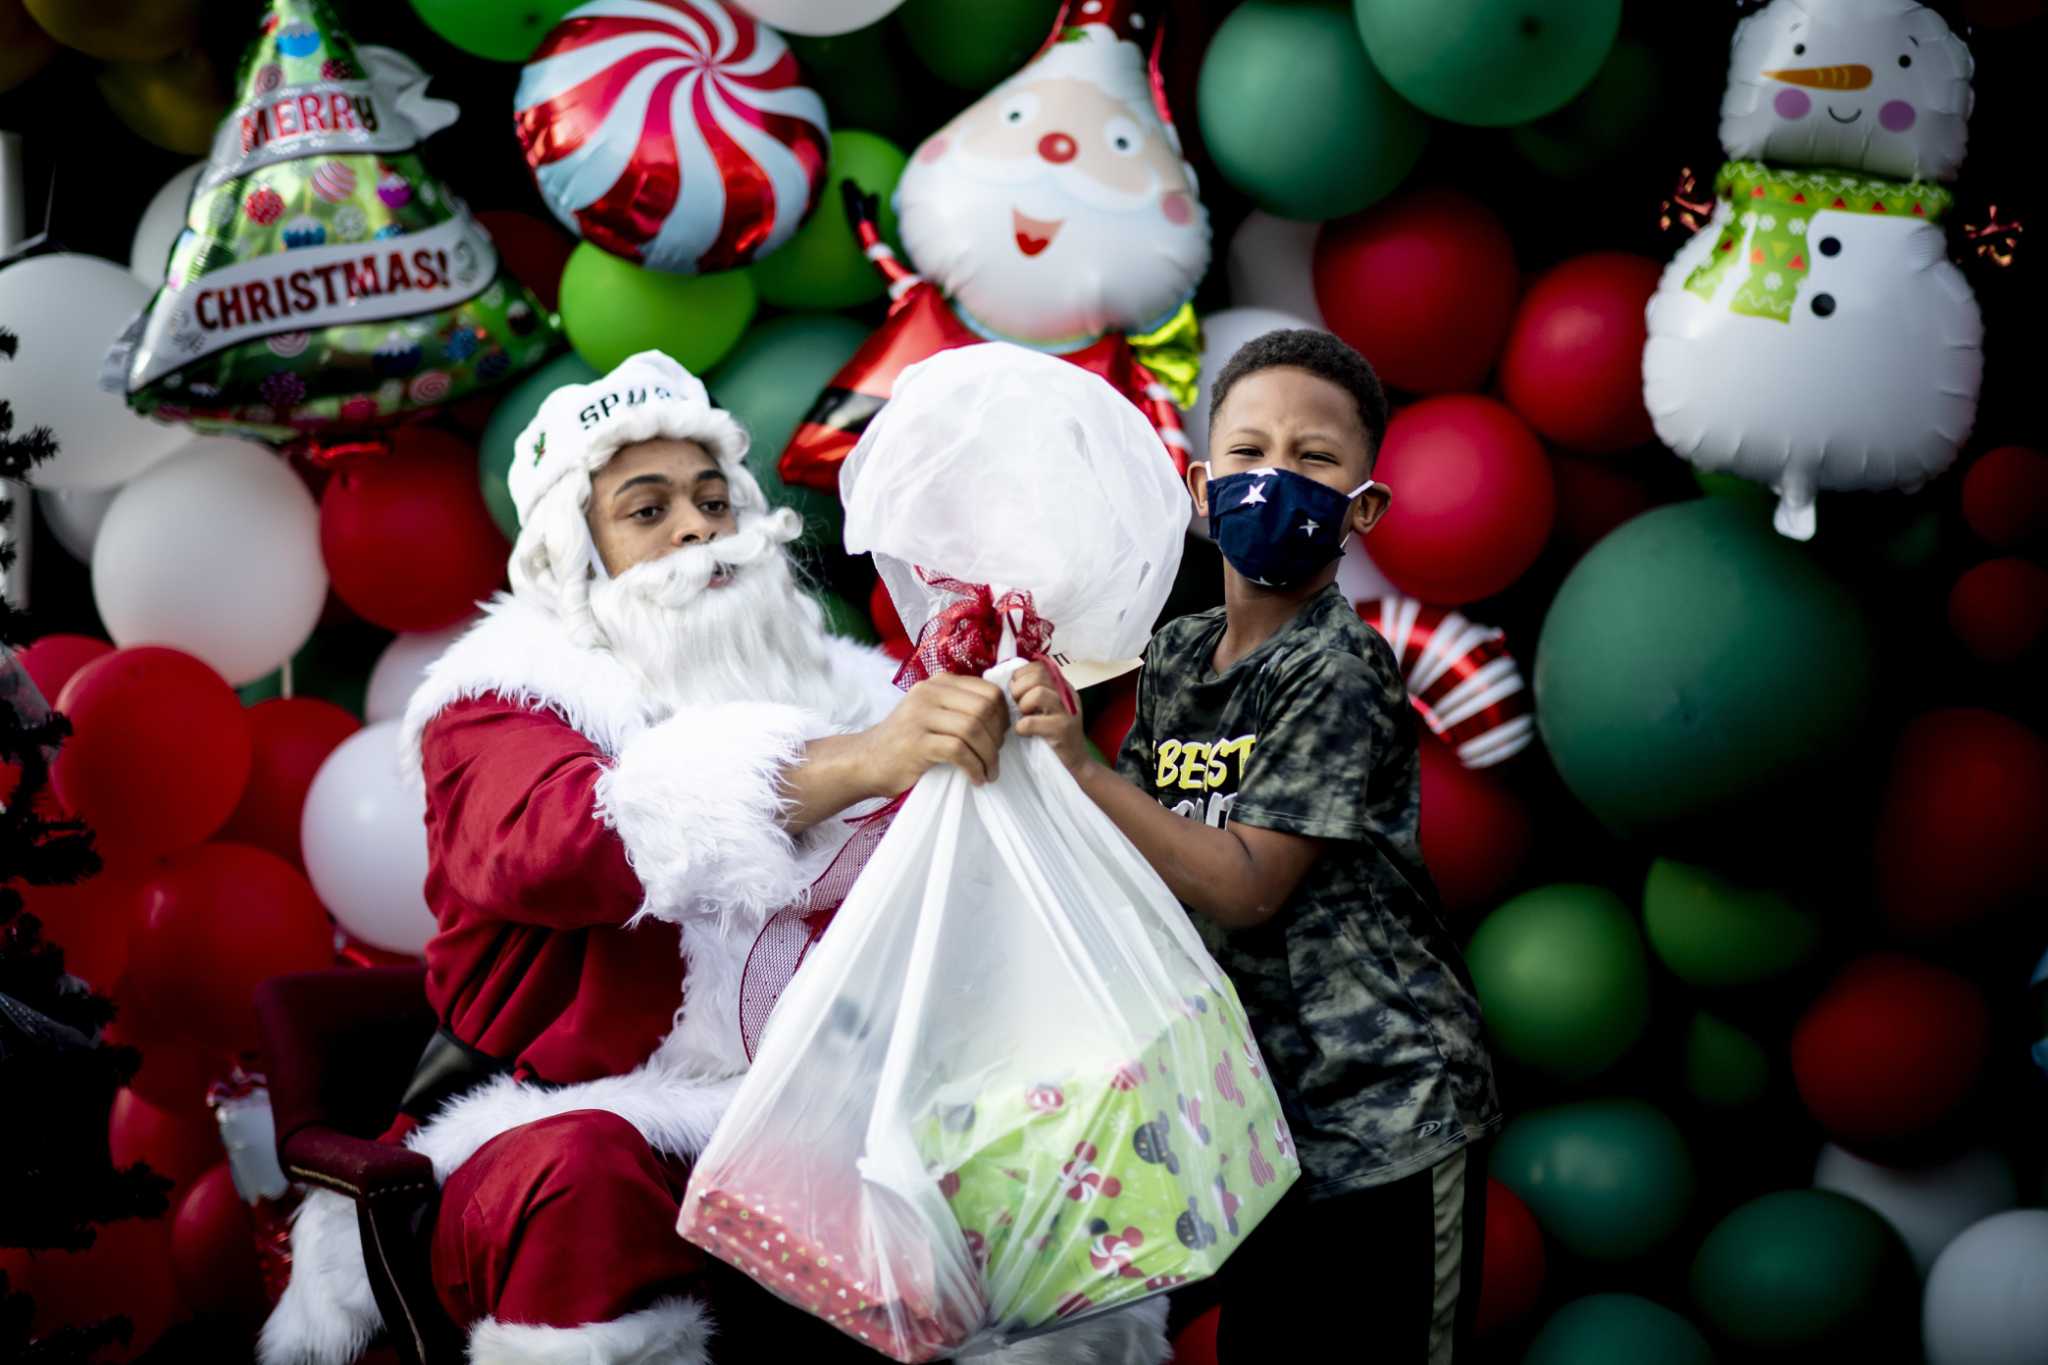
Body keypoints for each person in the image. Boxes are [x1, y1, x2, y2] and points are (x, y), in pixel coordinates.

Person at [260, 350, 1169, 1365]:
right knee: (586, 1170)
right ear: (581, 556)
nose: (696, 529)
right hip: (568, 1118)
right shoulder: (498, 700)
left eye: (711, 499)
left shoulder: (853, 686)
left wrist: (1013, 749)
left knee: (1051, 1135)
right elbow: (563, 843)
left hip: (834, 1123)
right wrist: (861, 763)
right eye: (646, 512)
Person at [1011, 329, 1501, 1363]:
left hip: (1383, 1120)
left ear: (1359, 510)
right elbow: (1136, 853)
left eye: (1313, 459)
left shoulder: (1338, 666)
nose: (1272, 477)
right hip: (1248, 1123)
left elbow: (1245, 887)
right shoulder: (1180, 654)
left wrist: (1083, 770)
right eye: (1246, 451)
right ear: (1198, 487)